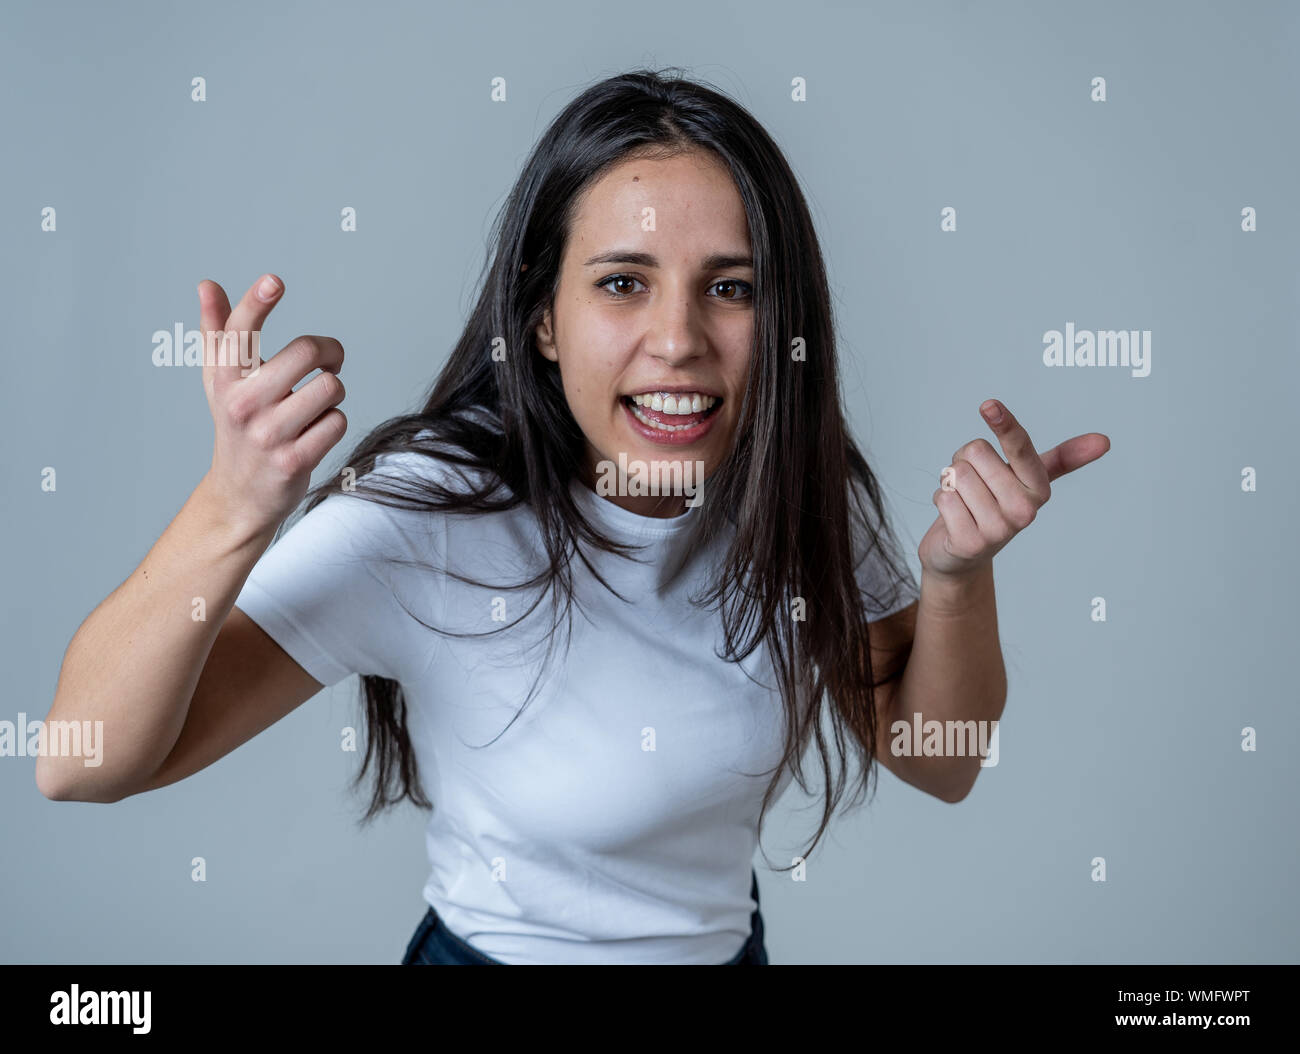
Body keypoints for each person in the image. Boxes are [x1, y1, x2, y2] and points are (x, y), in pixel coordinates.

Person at [36, 67, 1109, 965]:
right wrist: (231, 508)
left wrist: (959, 580)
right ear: (542, 318)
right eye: (623, 283)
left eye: (730, 287)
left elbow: (939, 758)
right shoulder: (425, 518)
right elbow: (81, 761)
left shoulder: (796, 494)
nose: (680, 338)